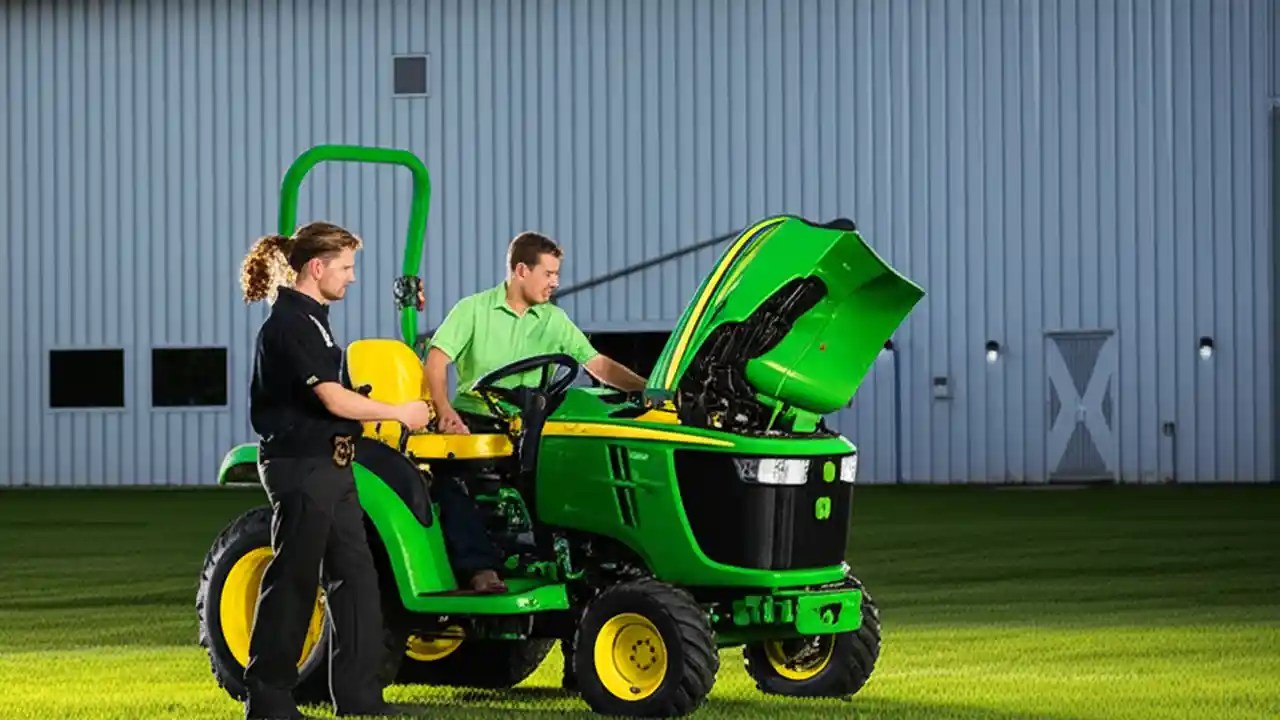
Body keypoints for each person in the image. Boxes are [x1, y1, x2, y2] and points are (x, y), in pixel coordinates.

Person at [238, 221, 431, 720]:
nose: (352, 277)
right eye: (346, 267)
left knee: (357, 579)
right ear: (317, 267)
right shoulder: (289, 325)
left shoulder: (315, 321)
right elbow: (331, 398)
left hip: (333, 464)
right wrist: (399, 412)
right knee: (295, 580)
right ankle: (268, 698)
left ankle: (360, 697)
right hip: (301, 465)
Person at [421, 230, 648, 593]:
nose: (555, 282)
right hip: (475, 419)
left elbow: (598, 365)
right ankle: (480, 568)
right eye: (549, 274)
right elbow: (436, 361)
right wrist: (445, 410)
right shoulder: (473, 310)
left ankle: (573, 559)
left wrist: (648, 390)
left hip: (530, 421)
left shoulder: (554, 319)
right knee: (453, 481)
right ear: (521, 271)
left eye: (557, 274)